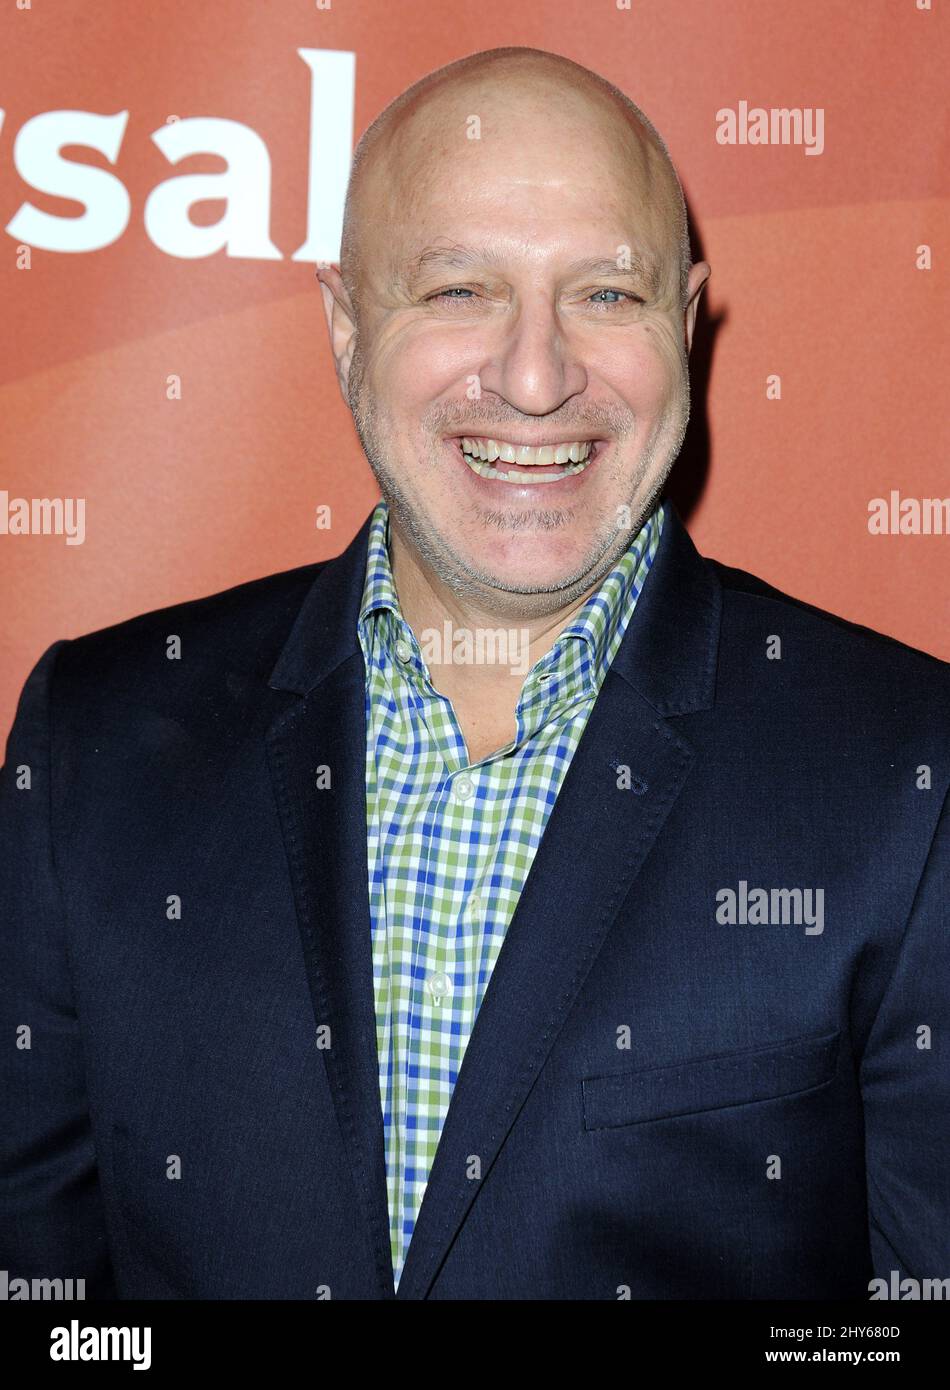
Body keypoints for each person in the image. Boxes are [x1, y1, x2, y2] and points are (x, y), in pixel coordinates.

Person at [1, 46, 948, 1301]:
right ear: (344, 325)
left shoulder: (903, 772)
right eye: (459, 288)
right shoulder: (94, 744)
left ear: (686, 316)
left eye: (607, 295)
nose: (535, 376)